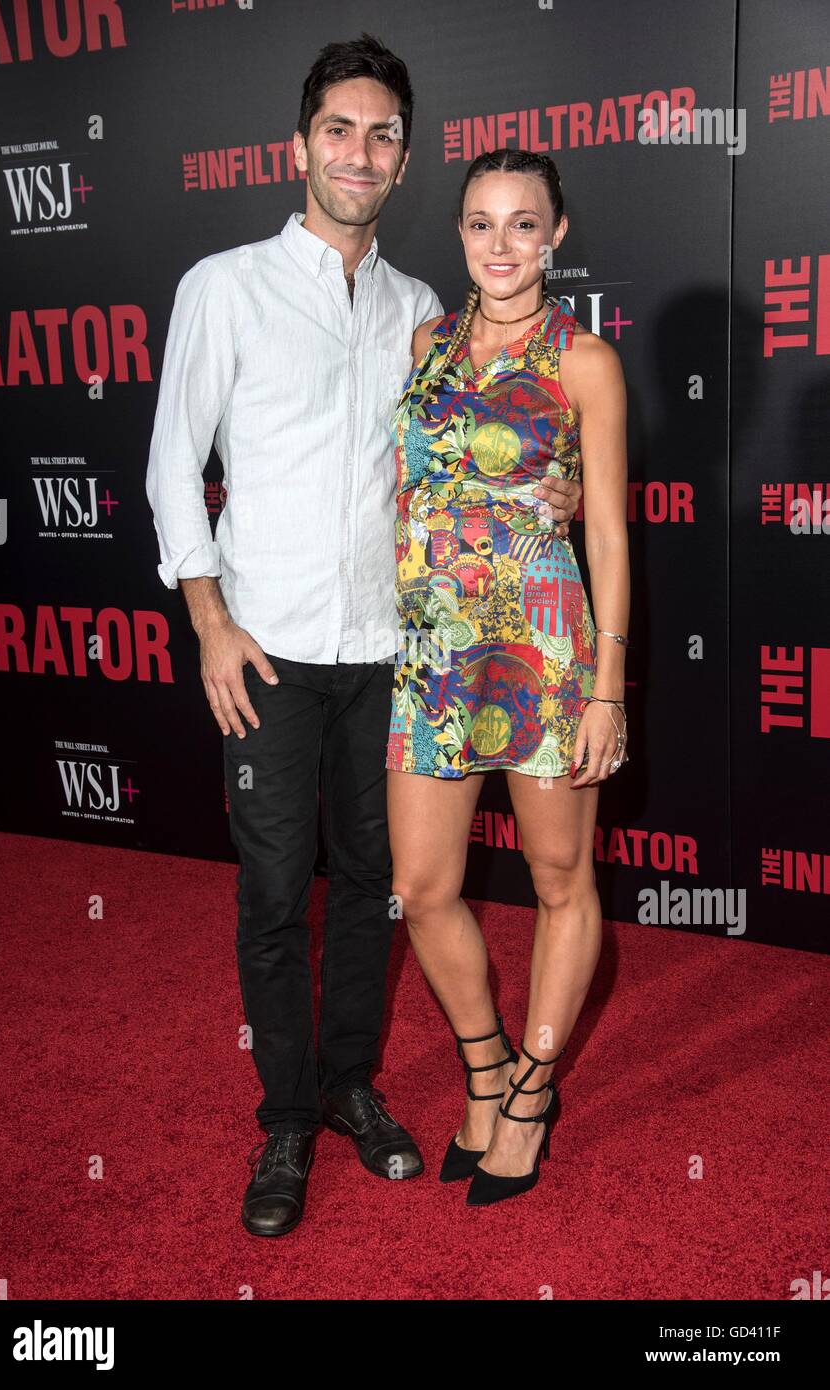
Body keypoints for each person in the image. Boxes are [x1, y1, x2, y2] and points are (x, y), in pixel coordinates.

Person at [146, 38, 584, 1238]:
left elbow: (479, 452)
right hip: (270, 649)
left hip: (400, 653)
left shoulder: (421, 312)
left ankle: (349, 1082)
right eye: (340, 128)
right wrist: (209, 621)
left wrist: (559, 493)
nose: (360, 151)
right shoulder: (222, 287)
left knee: (376, 894)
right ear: (301, 145)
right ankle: (285, 1115)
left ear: (403, 162)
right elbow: (172, 469)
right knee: (278, 891)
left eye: (384, 135)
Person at [386, 149, 629, 1206]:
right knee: (425, 886)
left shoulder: (585, 361)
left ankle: (532, 1092)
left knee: (561, 881)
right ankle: (483, 1067)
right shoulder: (426, 343)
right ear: (458, 234)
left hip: (544, 649)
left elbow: (612, 534)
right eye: (481, 223)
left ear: (558, 234)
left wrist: (608, 687)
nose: (500, 245)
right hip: (436, 649)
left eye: (523, 224)